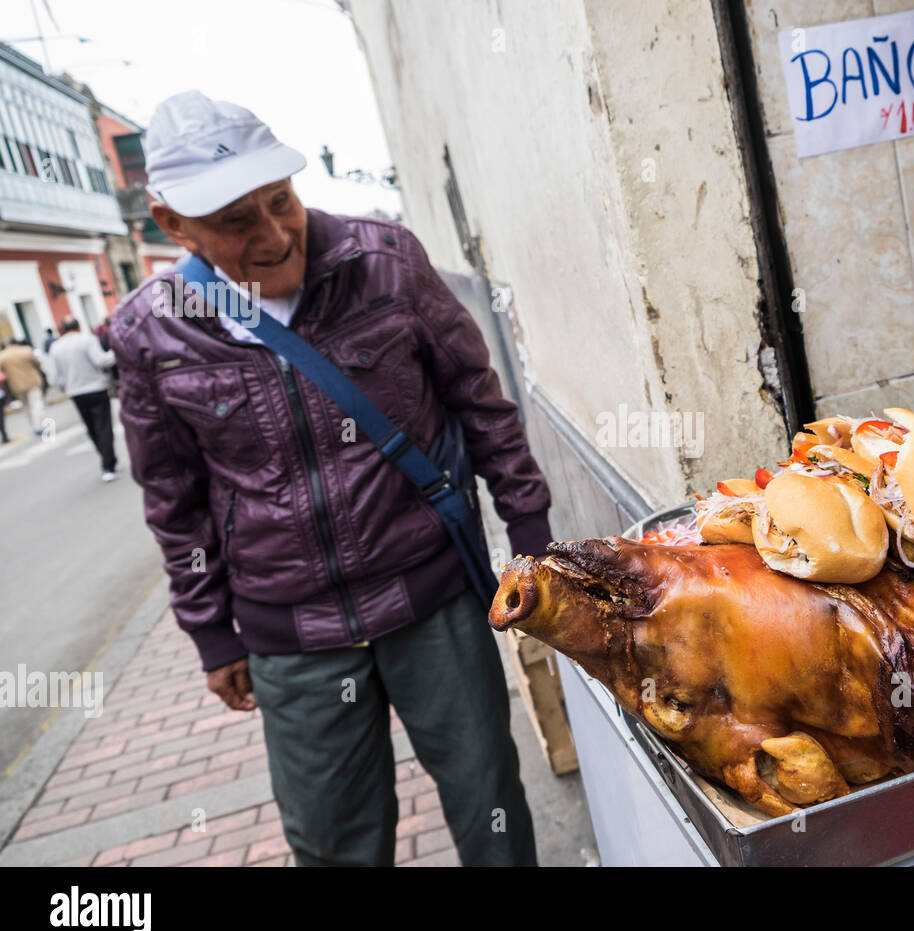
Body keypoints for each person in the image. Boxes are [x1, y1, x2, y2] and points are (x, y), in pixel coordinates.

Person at [111, 91, 552, 867]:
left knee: (491, 809)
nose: (276, 234)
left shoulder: (383, 262)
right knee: (331, 844)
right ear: (173, 224)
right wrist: (211, 631)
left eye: (280, 202)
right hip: (292, 634)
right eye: (237, 221)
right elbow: (173, 501)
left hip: (430, 598)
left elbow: (480, 405)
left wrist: (532, 536)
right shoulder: (152, 331)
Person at [47, 317, 118, 481]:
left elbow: (54, 377)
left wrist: (66, 384)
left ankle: (106, 458)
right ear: (78, 326)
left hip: (76, 393)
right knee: (104, 426)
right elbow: (101, 360)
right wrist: (115, 352)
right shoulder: (87, 340)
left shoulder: (56, 347)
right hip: (96, 388)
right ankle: (108, 464)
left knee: (91, 427)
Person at [0, 338, 46, 436]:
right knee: (36, 404)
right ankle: (38, 425)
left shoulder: (3, 356)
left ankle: (34, 426)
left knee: (26, 406)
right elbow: (37, 364)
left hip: (16, 385)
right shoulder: (26, 350)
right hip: (32, 381)